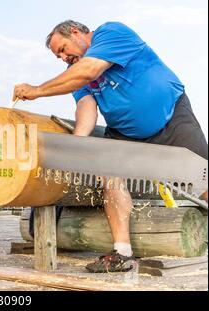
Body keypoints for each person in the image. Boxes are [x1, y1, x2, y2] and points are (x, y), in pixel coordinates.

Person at [13, 20, 208, 273]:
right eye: (58, 56)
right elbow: (86, 106)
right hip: (124, 133)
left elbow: (89, 70)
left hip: (171, 118)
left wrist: (38, 90)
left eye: (62, 49)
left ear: (75, 32)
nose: (62, 57)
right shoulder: (76, 72)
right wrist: (77, 144)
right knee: (110, 177)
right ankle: (122, 253)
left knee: (203, 180)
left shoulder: (111, 33)